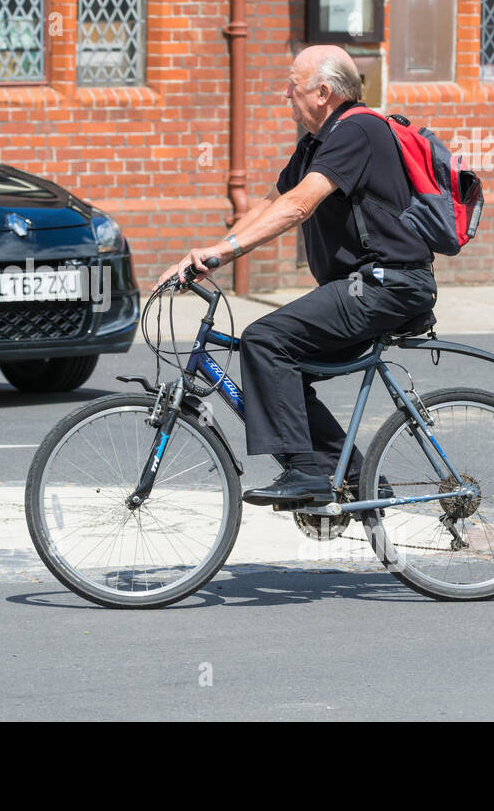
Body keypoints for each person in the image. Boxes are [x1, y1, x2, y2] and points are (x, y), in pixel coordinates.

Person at [154, 45, 437, 506]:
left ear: (323, 92)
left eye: (293, 85)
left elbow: (299, 205)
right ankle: (353, 477)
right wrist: (204, 256)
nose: (285, 93)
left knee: (266, 341)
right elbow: (271, 201)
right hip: (364, 287)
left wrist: (222, 254)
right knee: (282, 367)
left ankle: (307, 471)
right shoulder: (317, 141)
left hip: (388, 284)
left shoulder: (358, 130)